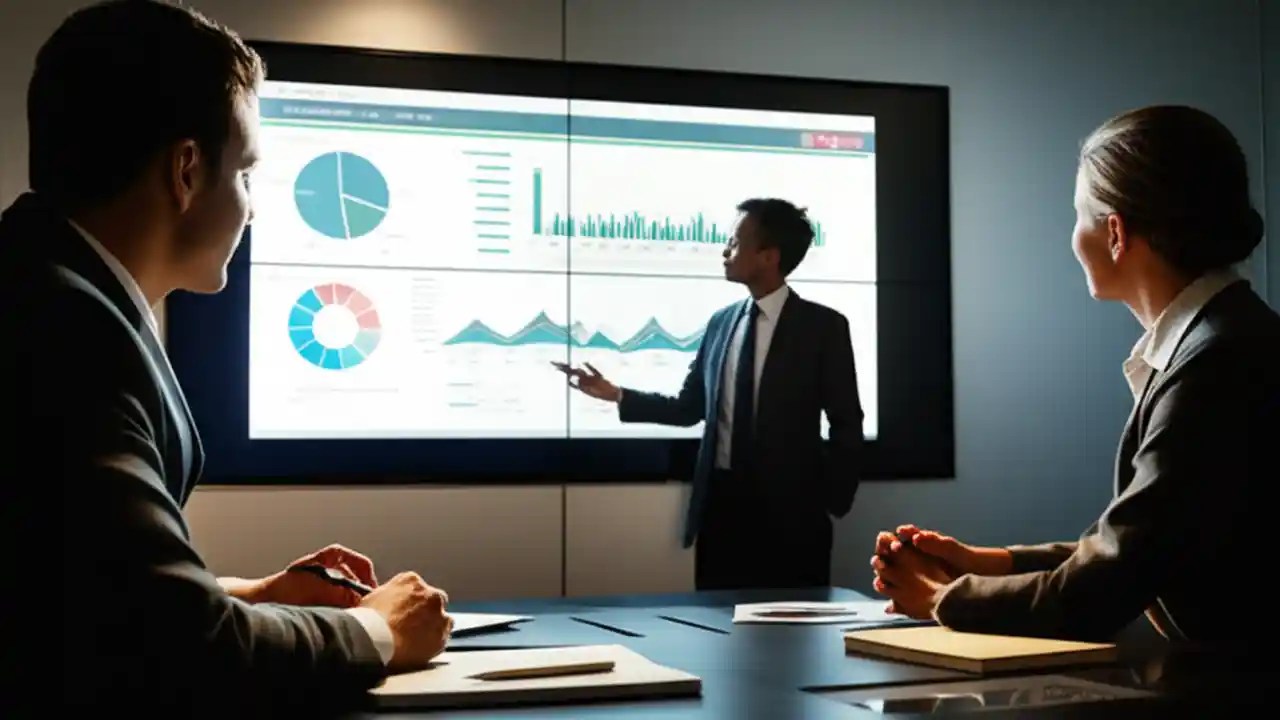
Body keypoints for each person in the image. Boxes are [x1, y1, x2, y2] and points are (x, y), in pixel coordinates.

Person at [0, 0, 450, 710]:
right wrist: (377, 631)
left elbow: (71, 589)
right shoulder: (69, 332)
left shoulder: (45, 285)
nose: (252, 206)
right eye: (245, 173)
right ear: (185, 170)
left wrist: (255, 595)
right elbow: (183, 646)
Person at [870, 105, 1277, 652]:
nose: (1072, 238)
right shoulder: (1223, 340)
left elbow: (1107, 585)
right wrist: (985, 564)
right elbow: (1143, 543)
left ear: (1115, 233)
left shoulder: (1215, 362)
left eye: (1077, 216)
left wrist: (943, 598)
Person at [555, 198, 864, 590]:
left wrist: (833, 499)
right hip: (722, 509)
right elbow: (689, 408)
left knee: (793, 637)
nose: (724, 251)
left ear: (769, 256)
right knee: (716, 629)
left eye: (735, 242)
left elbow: (846, 421)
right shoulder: (722, 323)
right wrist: (616, 394)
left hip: (793, 517)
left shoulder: (824, 328)